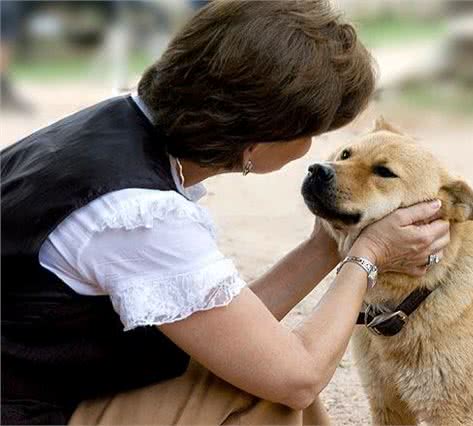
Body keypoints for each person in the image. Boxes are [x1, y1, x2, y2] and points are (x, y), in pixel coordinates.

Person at [1, 1, 450, 424]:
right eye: (313, 132)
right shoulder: (139, 215)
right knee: (271, 389)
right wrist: (368, 255)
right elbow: (298, 377)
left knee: (257, 362)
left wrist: (325, 246)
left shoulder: (115, 131)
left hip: (37, 384)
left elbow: (230, 329)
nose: (318, 154)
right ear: (261, 137)